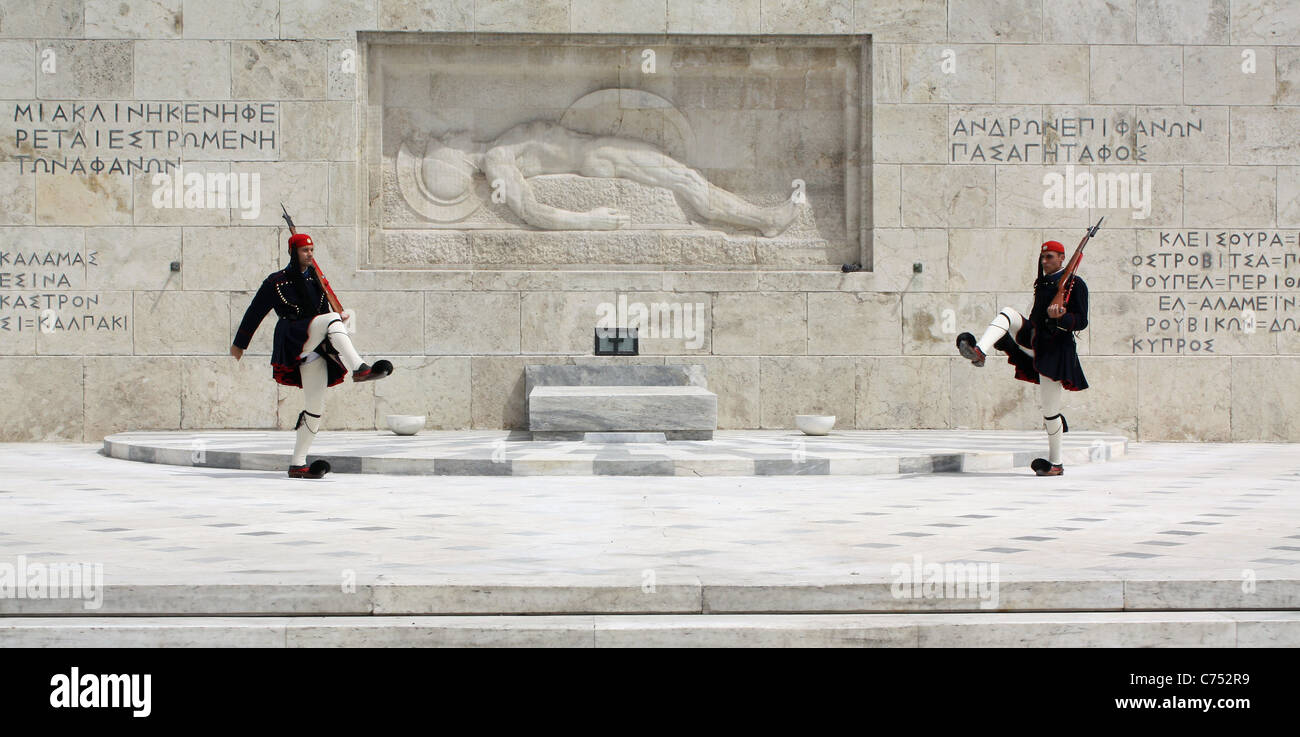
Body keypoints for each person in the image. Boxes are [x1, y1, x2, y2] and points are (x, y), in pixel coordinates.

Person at [231, 232, 392, 479]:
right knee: (331, 320)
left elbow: (324, 310)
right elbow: (255, 312)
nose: (310, 255)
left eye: (312, 250)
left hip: (314, 347)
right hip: (293, 335)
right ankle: (359, 368)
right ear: (293, 252)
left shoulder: (317, 279)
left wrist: (338, 316)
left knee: (314, 408)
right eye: (305, 250)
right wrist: (240, 343)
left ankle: (298, 464)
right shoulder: (276, 281)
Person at [955, 239, 1088, 476]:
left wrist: (1062, 318)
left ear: (1061, 258)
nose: (1045, 261)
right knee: (1008, 314)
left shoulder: (1075, 284)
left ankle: (1055, 464)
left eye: (1050, 257)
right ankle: (980, 351)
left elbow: (1082, 321)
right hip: (1035, 338)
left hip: (1055, 350)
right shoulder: (1043, 283)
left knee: (1050, 411)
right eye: (1043, 257)